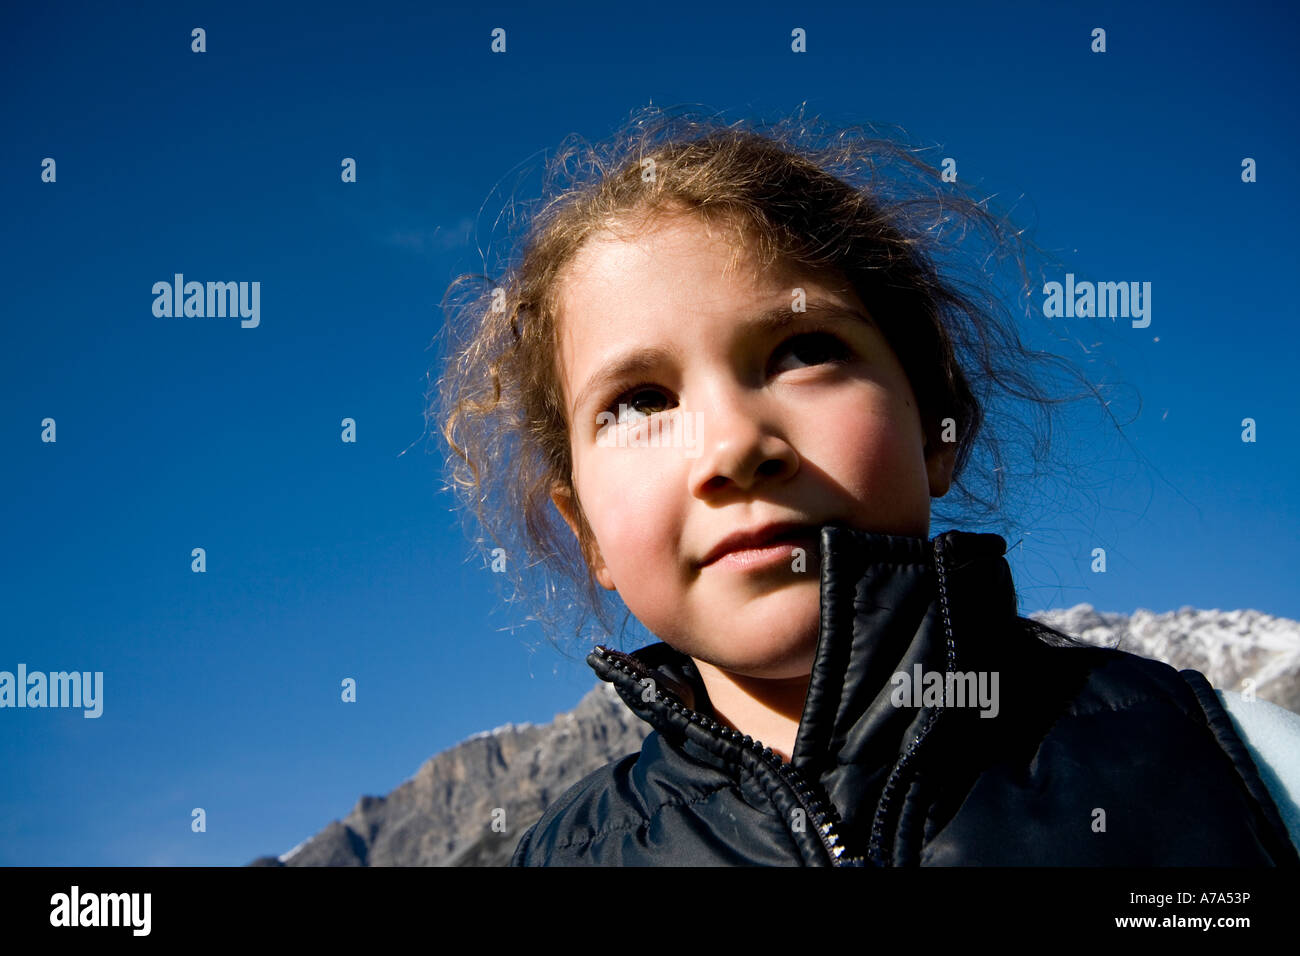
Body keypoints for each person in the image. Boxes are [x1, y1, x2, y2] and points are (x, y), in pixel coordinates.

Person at [433, 105, 1300, 865]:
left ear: (935, 420)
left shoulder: (1238, 771)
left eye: (805, 352)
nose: (733, 446)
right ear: (584, 532)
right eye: (639, 402)